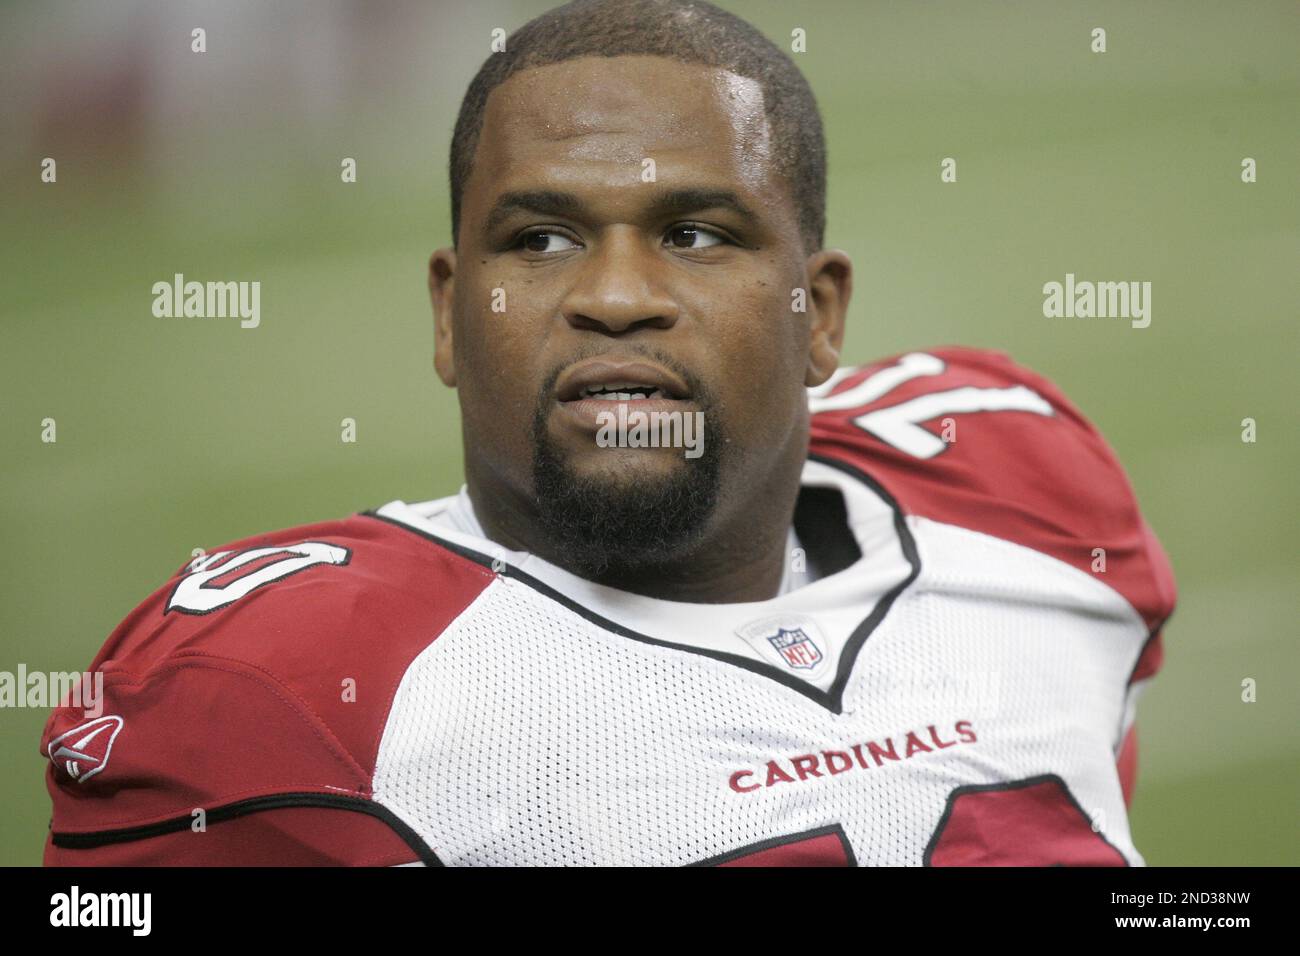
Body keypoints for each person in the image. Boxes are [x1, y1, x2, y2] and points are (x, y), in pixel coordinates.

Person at [41, 0, 1174, 866]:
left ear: (818, 313)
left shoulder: (1023, 503)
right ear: (448, 312)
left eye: (694, 232)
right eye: (539, 240)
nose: (618, 295)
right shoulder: (282, 696)